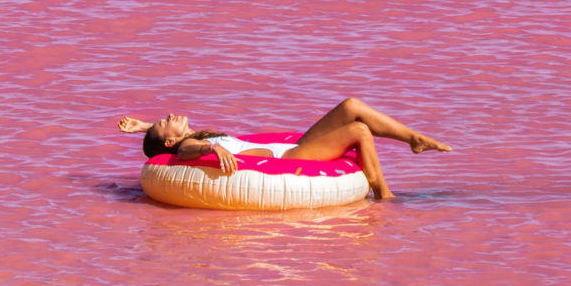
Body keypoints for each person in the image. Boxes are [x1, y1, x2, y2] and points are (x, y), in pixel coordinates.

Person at [118, 97, 451, 200]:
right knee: (359, 130)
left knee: (351, 105)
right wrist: (210, 150)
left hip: (287, 148)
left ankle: (413, 139)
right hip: (291, 158)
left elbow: (176, 140)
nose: (169, 115)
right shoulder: (192, 145)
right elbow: (183, 150)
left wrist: (145, 126)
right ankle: (385, 197)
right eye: (164, 121)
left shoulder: (194, 134)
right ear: (173, 140)